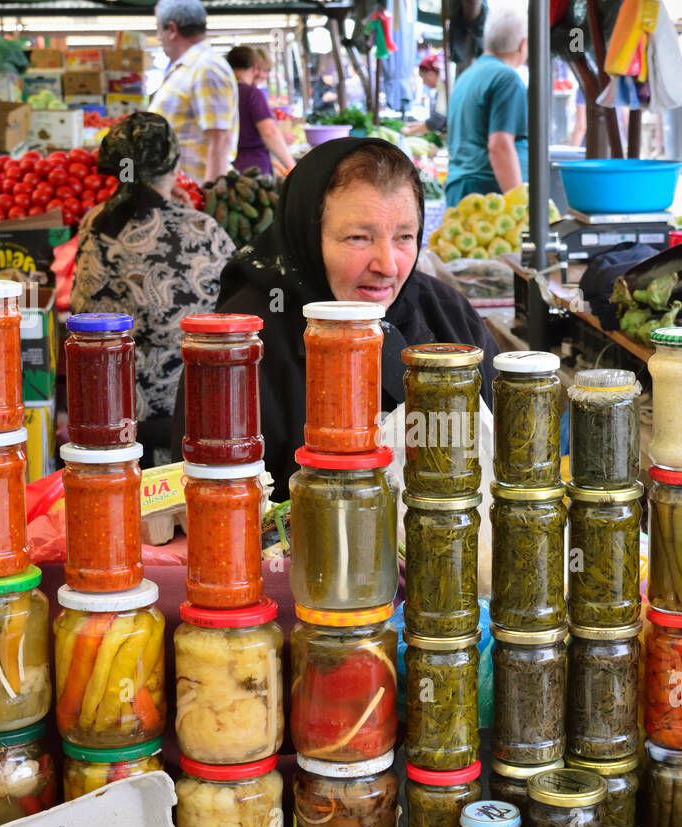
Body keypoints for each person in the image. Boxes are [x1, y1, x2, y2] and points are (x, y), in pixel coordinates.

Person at [171, 137, 500, 495]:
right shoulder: (240, 348)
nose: (387, 265)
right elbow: (213, 504)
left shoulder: (449, 316)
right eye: (359, 237)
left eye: (404, 237)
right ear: (308, 235)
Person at [73, 113, 237, 463]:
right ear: (174, 162)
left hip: (108, 413)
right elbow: (231, 311)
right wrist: (186, 217)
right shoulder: (201, 229)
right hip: (182, 421)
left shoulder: (93, 222)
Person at [444, 1, 528, 207]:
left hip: (461, 189)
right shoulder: (507, 79)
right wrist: (519, 207)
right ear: (523, 44)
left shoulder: (469, 74)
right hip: (486, 195)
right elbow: (500, 146)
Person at [150, 0, 238, 182]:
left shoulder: (206, 68)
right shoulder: (188, 68)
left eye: (159, 28)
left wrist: (209, 195)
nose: (158, 37)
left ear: (172, 30)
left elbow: (220, 139)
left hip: (193, 193)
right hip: (178, 192)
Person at [226, 45, 295, 175]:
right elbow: (269, 132)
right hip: (253, 168)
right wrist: (292, 166)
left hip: (229, 166)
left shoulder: (222, 93)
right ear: (253, 68)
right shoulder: (252, 94)